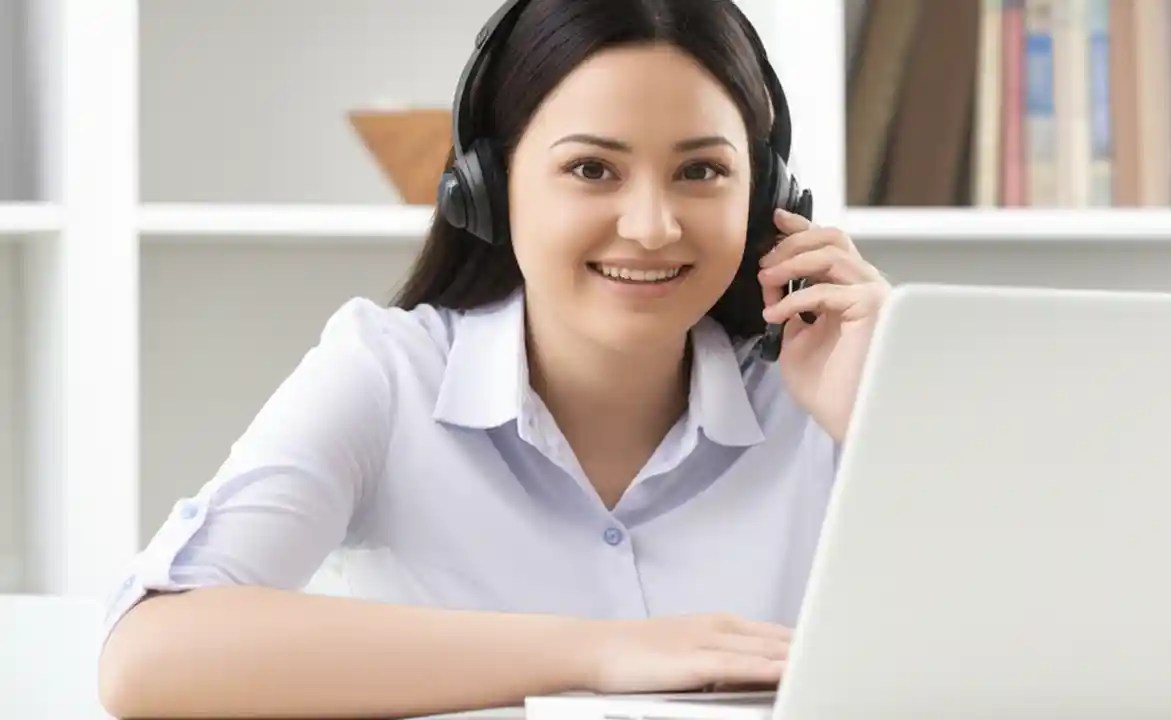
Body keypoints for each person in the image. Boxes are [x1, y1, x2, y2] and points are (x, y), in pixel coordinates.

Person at [97, 0, 891, 717]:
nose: (652, 225)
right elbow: (151, 657)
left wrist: (889, 420)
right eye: (592, 169)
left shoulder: (824, 394)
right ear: (487, 186)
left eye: (701, 171)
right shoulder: (390, 374)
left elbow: (1001, 660)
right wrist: (597, 653)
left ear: (765, 194)